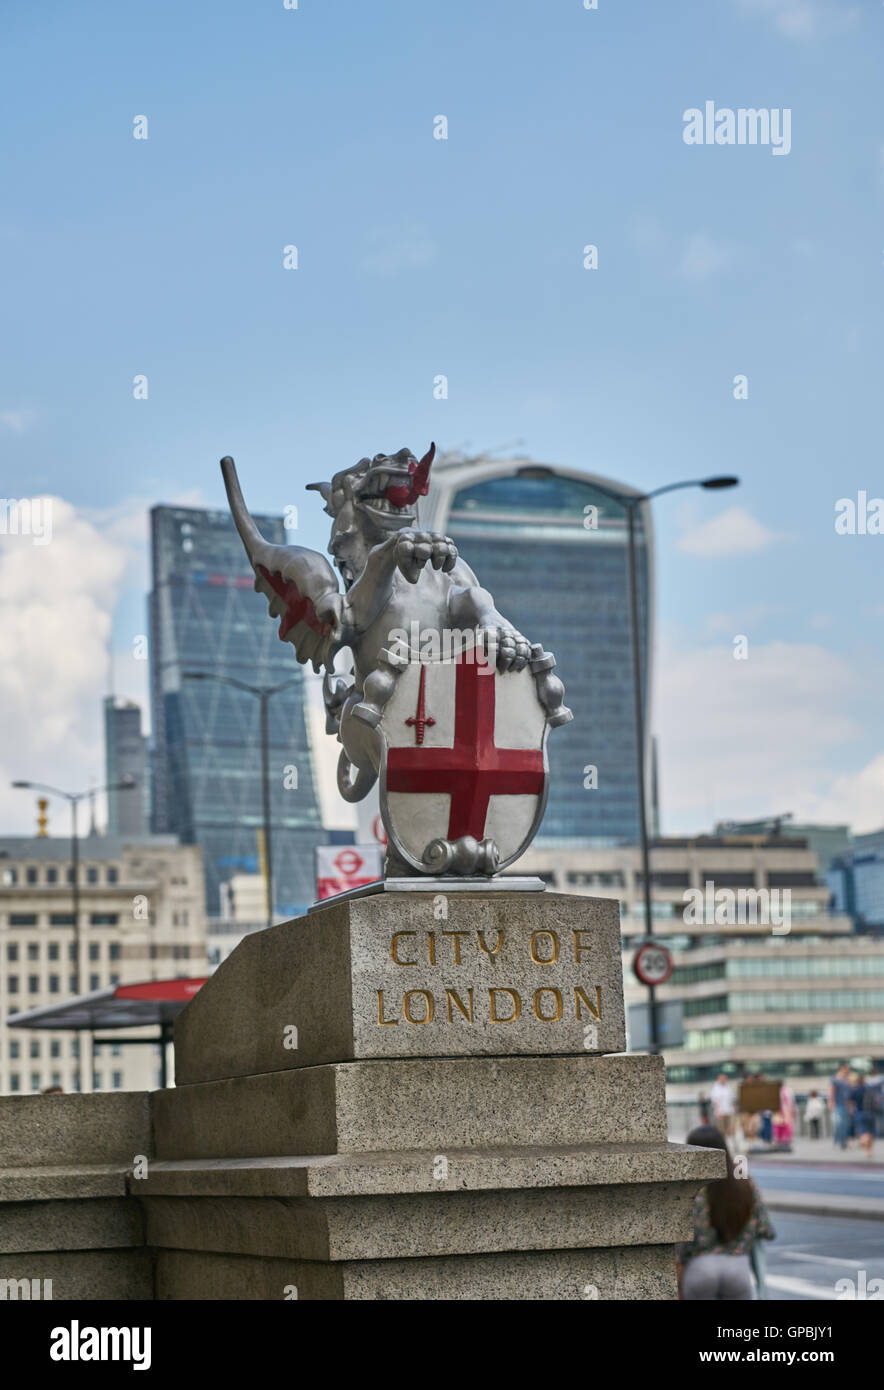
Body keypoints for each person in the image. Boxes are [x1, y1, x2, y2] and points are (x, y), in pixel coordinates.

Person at [678, 1125, 775, 1300]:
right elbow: (764, 1228)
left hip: (700, 1267)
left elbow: (682, 1237)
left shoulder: (689, 1188)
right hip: (737, 1268)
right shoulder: (743, 1182)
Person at [849, 1072, 876, 1159]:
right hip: (871, 1113)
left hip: (860, 1113)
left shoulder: (855, 1090)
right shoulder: (870, 1089)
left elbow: (849, 1101)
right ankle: (869, 1151)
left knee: (863, 1132)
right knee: (870, 1132)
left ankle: (863, 1143)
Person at [829, 1063, 852, 1151]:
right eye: (846, 1070)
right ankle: (839, 1142)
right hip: (838, 1105)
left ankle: (843, 1142)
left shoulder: (847, 1080)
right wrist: (831, 1103)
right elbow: (831, 1091)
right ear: (841, 1069)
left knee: (846, 1125)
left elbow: (850, 1093)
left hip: (846, 1105)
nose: (847, 1071)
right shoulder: (835, 1079)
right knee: (840, 1124)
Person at [710, 1073, 736, 1138]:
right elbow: (714, 1101)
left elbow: (731, 1100)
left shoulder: (728, 1087)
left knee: (729, 1130)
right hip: (720, 1112)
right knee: (721, 1130)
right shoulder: (715, 1088)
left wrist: (733, 1111)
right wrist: (717, 1112)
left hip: (728, 1111)